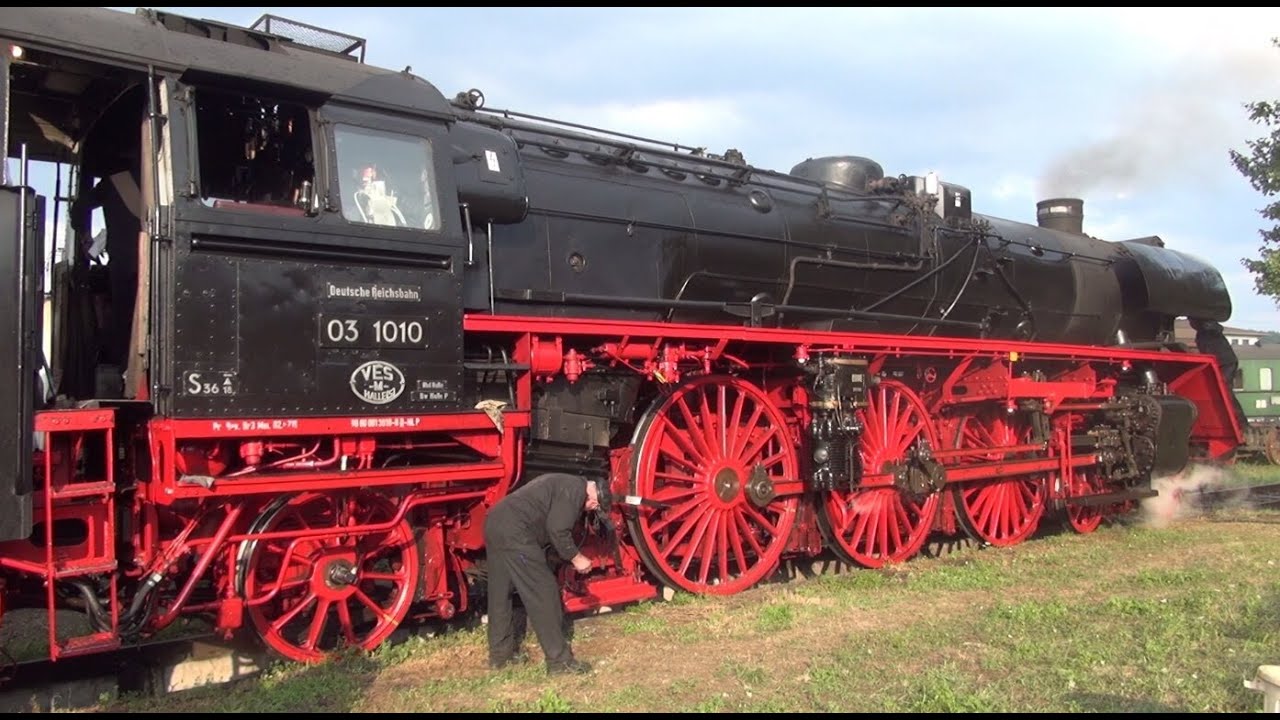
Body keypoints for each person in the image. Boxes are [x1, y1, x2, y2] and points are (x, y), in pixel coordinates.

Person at [484, 472, 598, 674]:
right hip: (516, 531)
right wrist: (577, 558)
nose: (593, 509)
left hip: (495, 522)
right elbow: (558, 530)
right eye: (596, 505)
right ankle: (559, 662)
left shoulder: (561, 481)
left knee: (500, 593)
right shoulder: (575, 490)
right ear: (593, 494)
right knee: (543, 590)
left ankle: (501, 656)